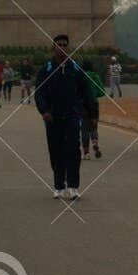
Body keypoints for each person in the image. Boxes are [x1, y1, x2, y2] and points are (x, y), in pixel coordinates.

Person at [34, 35, 90, 199]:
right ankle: (59, 185)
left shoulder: (76, 69)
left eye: (65, 45)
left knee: (73, 150)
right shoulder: (47, 69)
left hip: (72, 116)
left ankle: (73, 186)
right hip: (53, 117)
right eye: (59, 45)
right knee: (56, 152)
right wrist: (44, 110)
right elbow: (40, 92)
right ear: (54, 47)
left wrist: (92, 114)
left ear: (68, 47)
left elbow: (86, 92)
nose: (62, 47)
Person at [80, 59, 105, 159]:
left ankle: (86, 153)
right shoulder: (96, 77)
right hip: (94, 104)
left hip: (83, 104)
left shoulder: (81, 77)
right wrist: (94, 95)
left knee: (84, 129)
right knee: (93, 126)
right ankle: (95, 143)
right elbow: (102, 92)